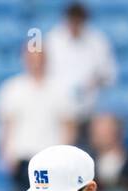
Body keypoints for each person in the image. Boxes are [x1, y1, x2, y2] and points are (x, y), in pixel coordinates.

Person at [0, 47, 75, 188]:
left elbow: (68, 126)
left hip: (51, 158)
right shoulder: (13, 88)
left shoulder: (60, 88)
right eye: (31, 59)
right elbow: (7, 125)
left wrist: (63, 157)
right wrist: (7, 156)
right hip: (23, 157)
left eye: (39, 58)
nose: (36, 63)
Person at [45, 2, 118, 146]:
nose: (75, 25)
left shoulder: (97, 41)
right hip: (60, 115)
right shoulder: (53, 40)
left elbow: (109, 75)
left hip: (88, 113)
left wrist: (93, 82)